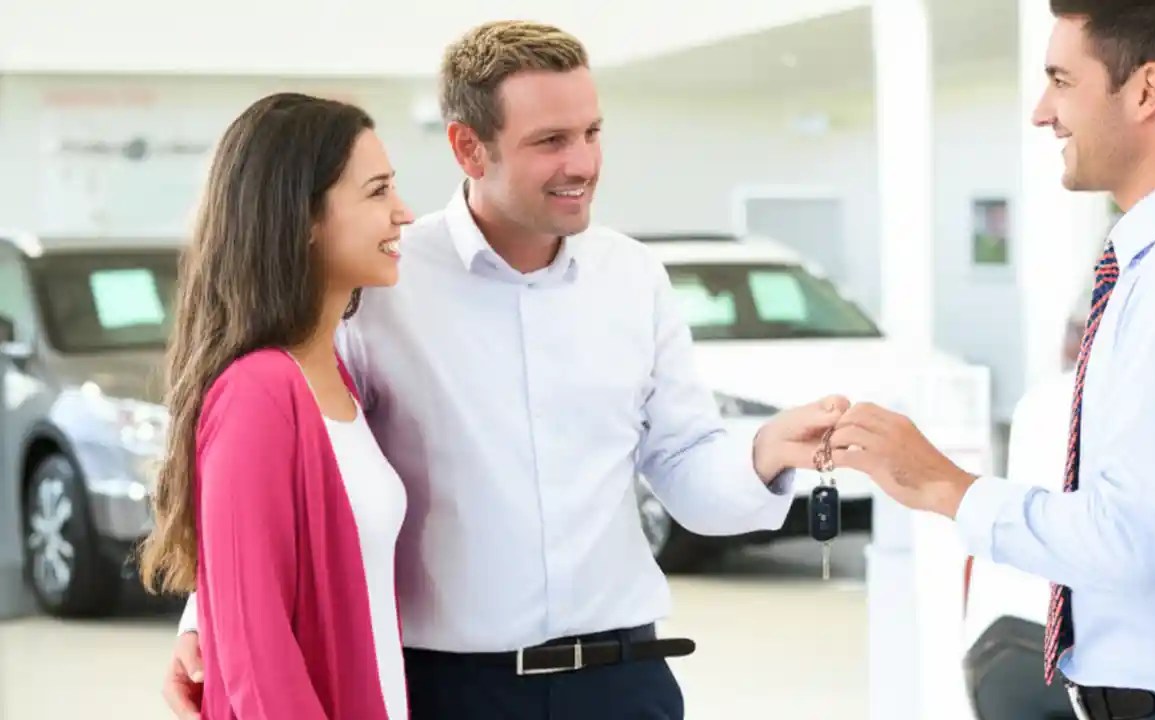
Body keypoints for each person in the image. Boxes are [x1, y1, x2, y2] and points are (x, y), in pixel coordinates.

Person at [161, 20, 849, 720]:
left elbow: (684, 464)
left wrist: (762, 455)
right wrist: (206, 620)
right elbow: (291, 478)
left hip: (622, 682)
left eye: (592, 132)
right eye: (551, 141)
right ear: (468, 147)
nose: (582, 162)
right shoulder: (381, 285)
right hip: (450, 692)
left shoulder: (634, 278)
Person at [828, 1, 1155, 718]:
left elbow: (1135, 538)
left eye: (1062, 81)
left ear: (1146, 90)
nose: (1043, 112)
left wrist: (946, 486)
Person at [139, 92, 415, 719]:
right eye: (377, 192)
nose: (403, 213)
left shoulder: (333, 372)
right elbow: (256, 655)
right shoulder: (258, 393)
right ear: (305, 218)